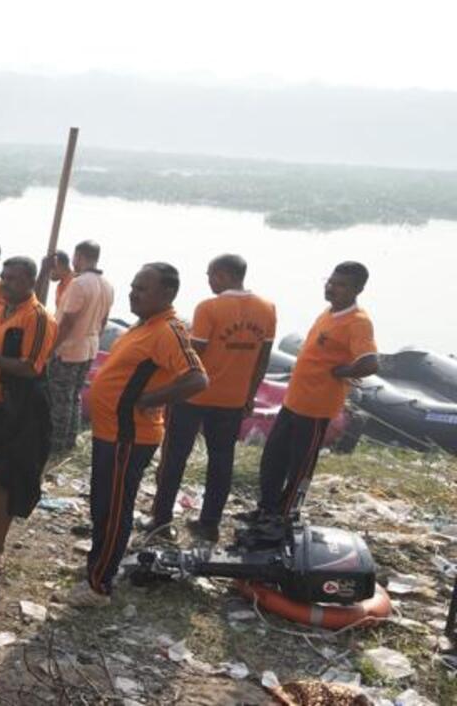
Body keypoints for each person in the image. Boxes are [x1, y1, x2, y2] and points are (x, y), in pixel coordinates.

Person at [69, 263, 206, 607]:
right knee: (104, 505)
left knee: (114, 508)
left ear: (167, 294)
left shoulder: (169, 330)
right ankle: (100, 562)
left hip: (128, 436)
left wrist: (149, 400)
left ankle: (99, 586)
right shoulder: (144, 325)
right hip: (111, 433)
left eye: (141, 288)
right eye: (132, 286)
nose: (133, 293)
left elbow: (196, 379)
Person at [147, 254, 276, 542]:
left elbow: (193, 355)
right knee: (221, 461)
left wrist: (168, 388)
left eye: (210, 275)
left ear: (222, 275)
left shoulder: (209, 308)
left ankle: (161, 519)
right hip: (232, 400)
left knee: (174, 458)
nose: (208, 281)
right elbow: (262, 360)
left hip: (194, 397)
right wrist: (249, 396)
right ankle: (210, 523)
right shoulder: (267, 309)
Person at [253, 262, 377, 526]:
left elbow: (369, 363)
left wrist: (342, 371)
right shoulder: (329, 313)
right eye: (330, 281)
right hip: (294, 400)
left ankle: (283, 516)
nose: (331, 288)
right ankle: (266, 508)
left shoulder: (358, 322)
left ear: (358, 289)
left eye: (340, 285)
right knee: (273, 457)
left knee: (299, 466)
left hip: (317, 407)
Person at [0, 257, 55, 578]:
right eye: (4, 276)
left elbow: (31, 367)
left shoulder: (37, 317)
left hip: (17, 408)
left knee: (8, 476)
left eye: (13, 278)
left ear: (30, 282)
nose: (4, 282)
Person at [47, 240, 115, 455]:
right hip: (89, 348)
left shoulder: (79, 284)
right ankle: (69, 439)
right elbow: (104, 321)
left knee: (61, 398)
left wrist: (51, 349)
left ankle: (56, 443)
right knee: (74, 395)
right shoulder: (107, 285)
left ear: (78, 257)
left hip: (69, 349)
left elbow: (67, 322)